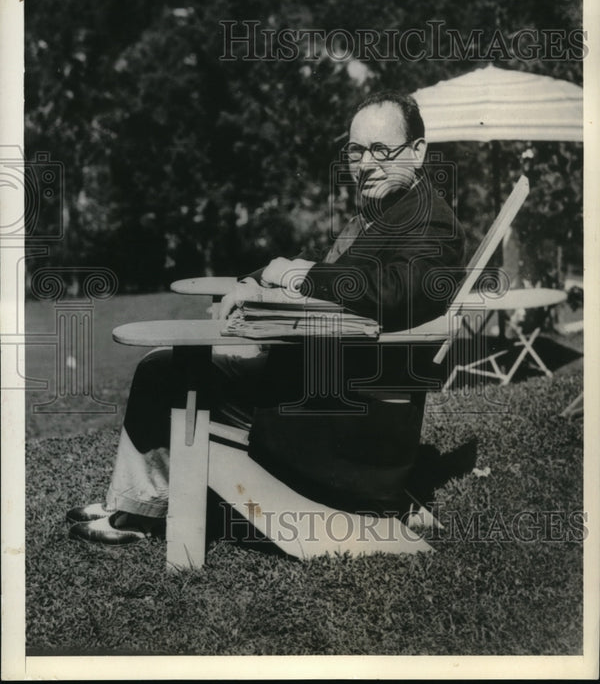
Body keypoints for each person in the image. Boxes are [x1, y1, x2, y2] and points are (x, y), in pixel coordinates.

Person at [68, 91, 466, 545]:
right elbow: (327, 266)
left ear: (417, 152)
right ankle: (135, 506)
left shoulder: (434, 225)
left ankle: (140, 514)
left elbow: (392, 293)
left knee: (169, 372)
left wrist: (299, 276)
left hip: (348, 417)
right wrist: (257, 278)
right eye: (356, 151)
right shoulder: (386, 212)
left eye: (382, 150)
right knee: (166, 366)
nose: (367, 164)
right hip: (322, 384)